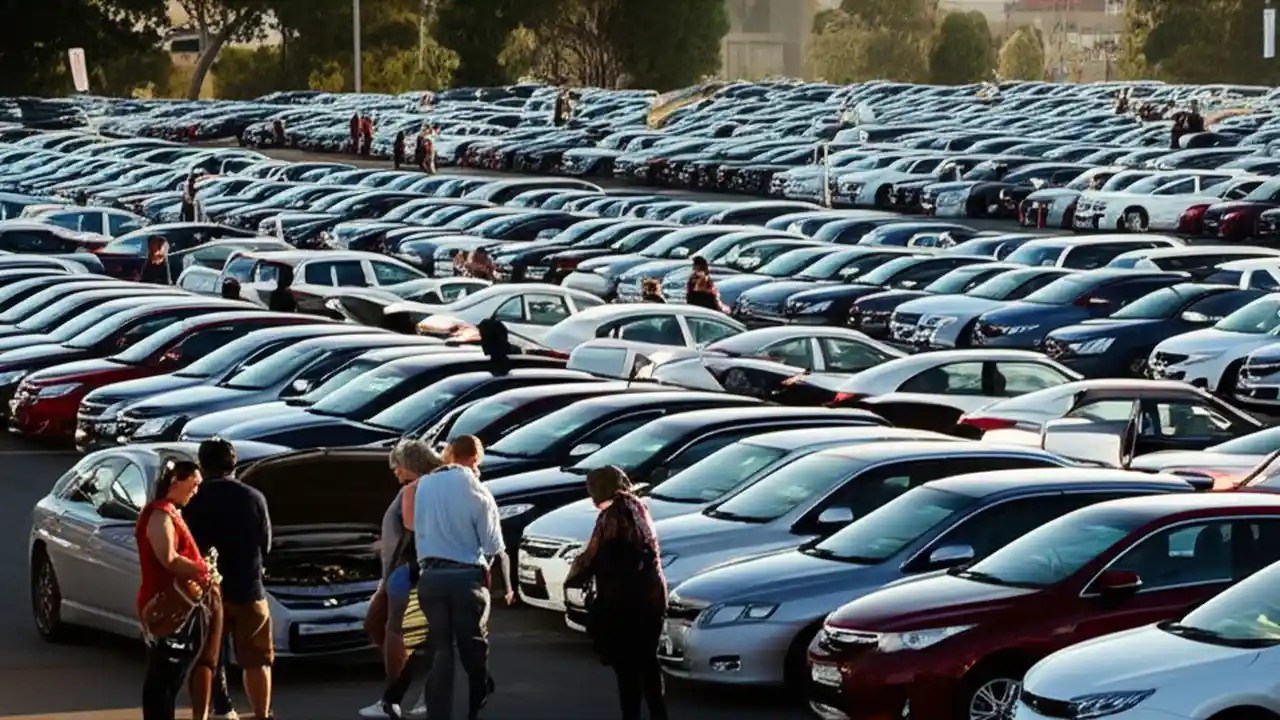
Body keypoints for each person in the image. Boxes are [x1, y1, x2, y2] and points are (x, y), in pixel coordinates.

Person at [392, 436, 513, 720]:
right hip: (466, 578)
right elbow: (493, 545)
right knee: (472, 645)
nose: (479, 470)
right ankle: (476, 700)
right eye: (479, 465)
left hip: (430, 579)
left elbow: (413, 525)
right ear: (472, 459)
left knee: (441, 648)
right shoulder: (478, 491)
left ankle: (439, 713)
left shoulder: (422, 487)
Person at [564, 466, 669, 720]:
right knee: (648, 663)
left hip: (625, 601)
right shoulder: (639, 508)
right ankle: (659, 714)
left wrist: (572, 577)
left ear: (601, 488)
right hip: (652, 594)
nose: (590, 495)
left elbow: (593, 556)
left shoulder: (611, 517)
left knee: (627, 669)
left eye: (591, 489)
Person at [183, 439, 277, 720]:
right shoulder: (253, 497)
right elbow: (267, 544)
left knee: (207, 658)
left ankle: (214, 711)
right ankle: (261, 714)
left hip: (207, 593)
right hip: (249, 590)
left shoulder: (193, 499)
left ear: (202, 465)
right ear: (233, 463)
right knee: (257, 659)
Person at [358, 440, 444, 720]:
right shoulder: (434, 486)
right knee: (380, 624)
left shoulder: (414, 489)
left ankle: (393, 698)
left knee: (396, 631)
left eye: (397, 467)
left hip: (405, 570)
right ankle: (408, 694)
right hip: (403, 569)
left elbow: (413, 526)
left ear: (412, 464)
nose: (395, 473)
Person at [137, 460, 221, 720]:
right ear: (175, 482)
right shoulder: (160, 514)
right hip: (167, 608)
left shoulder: (171, 512)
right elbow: (168, 558)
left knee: (169, 681)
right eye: (193, 484)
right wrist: (201, 570)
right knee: (163, 682)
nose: (195, 491)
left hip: (181, 607)